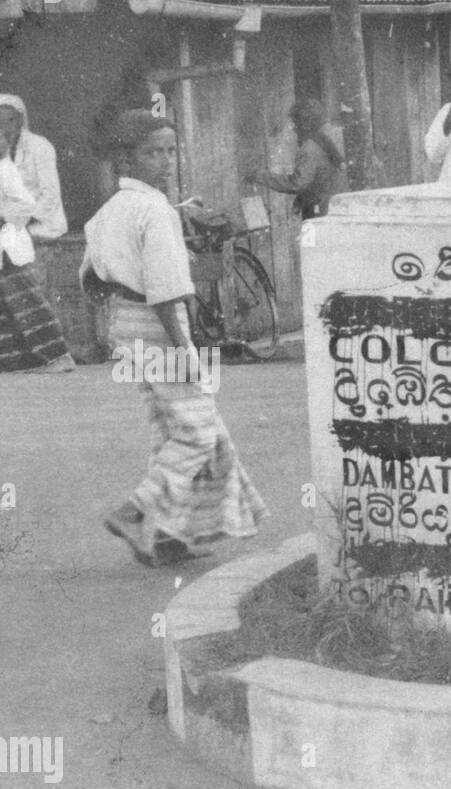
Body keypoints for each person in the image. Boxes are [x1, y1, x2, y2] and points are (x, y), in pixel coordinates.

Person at [81, 111, 266, 566]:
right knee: (199, 432)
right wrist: (184, 349)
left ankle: (172, 533)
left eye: (170, 150)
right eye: (153, 152)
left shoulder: (109, 211)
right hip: (159, 325)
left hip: (125, 324)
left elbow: (89, 277)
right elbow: (166, 290)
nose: (165, 161)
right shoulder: (154, 210)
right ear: (129, 157)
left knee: (172, 429)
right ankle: (136, 510)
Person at [0, 111, 75, 373]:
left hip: (7, 251)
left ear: (8, 142)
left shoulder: (6, 172)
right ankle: (0, 359)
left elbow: (25, 202)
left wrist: (3, 216)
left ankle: (58, 357)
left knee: (26, 302)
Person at [247, 99, 348, 219]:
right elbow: (320, 177)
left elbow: (297, 184)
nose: (294, 129)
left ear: (304, 124)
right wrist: (302, 197)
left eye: (296, 123)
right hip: (335, 207)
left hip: (319, 212)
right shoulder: (325, 141)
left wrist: (260, 176)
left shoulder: (309, 149)